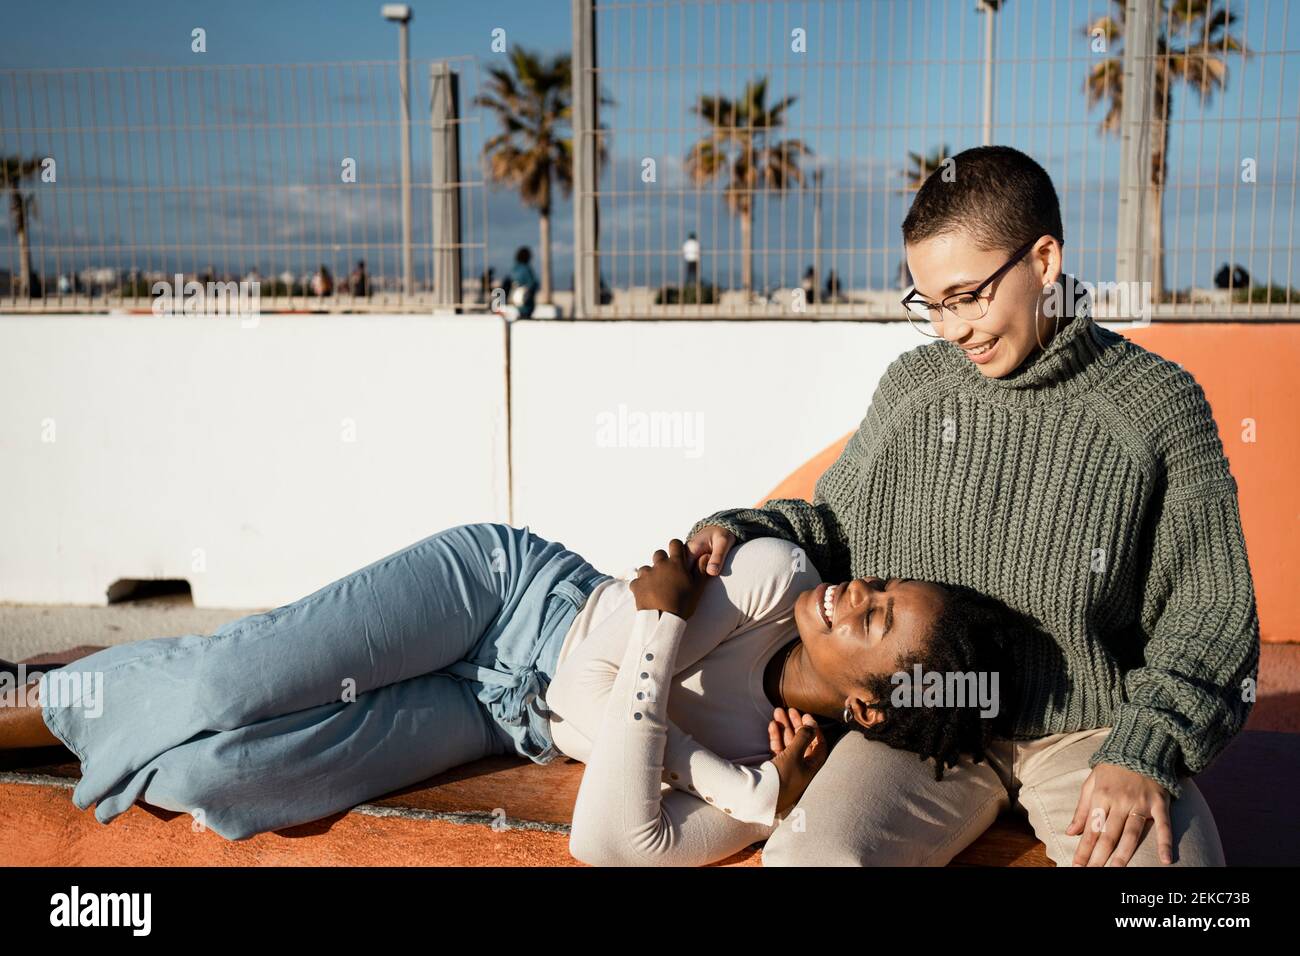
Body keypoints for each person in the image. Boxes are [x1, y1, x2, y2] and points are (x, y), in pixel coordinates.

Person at [686, 145, 1259, 868]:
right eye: (930, 304)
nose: (952, 329)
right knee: (809, 858)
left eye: (967, 296)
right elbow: (831, 527)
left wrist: (1146, 748)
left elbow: (1211, 610)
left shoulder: (1158, 409)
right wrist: (741, 528)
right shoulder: (915, 387)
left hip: (1088, 733)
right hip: (922, 731)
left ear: (1044, 261)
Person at [0, 528, 1023, 865]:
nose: (859, 595)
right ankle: (38, 702)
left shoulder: (786, 767)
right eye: (884, 586)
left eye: (878, 622)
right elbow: (612, 689)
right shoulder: (773, 572)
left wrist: (763, 796)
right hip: (502, 594)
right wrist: (743, 784)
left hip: (503, 716)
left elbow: (612, 842)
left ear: (876, 709)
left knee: (222, 772)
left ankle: (108, 678)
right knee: (228, 680)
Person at [509, 247, 539, 319]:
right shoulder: (526, 269)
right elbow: (533, 283)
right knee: (525, 318)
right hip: (526, 302)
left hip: (516, 300)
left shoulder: (514, 269)